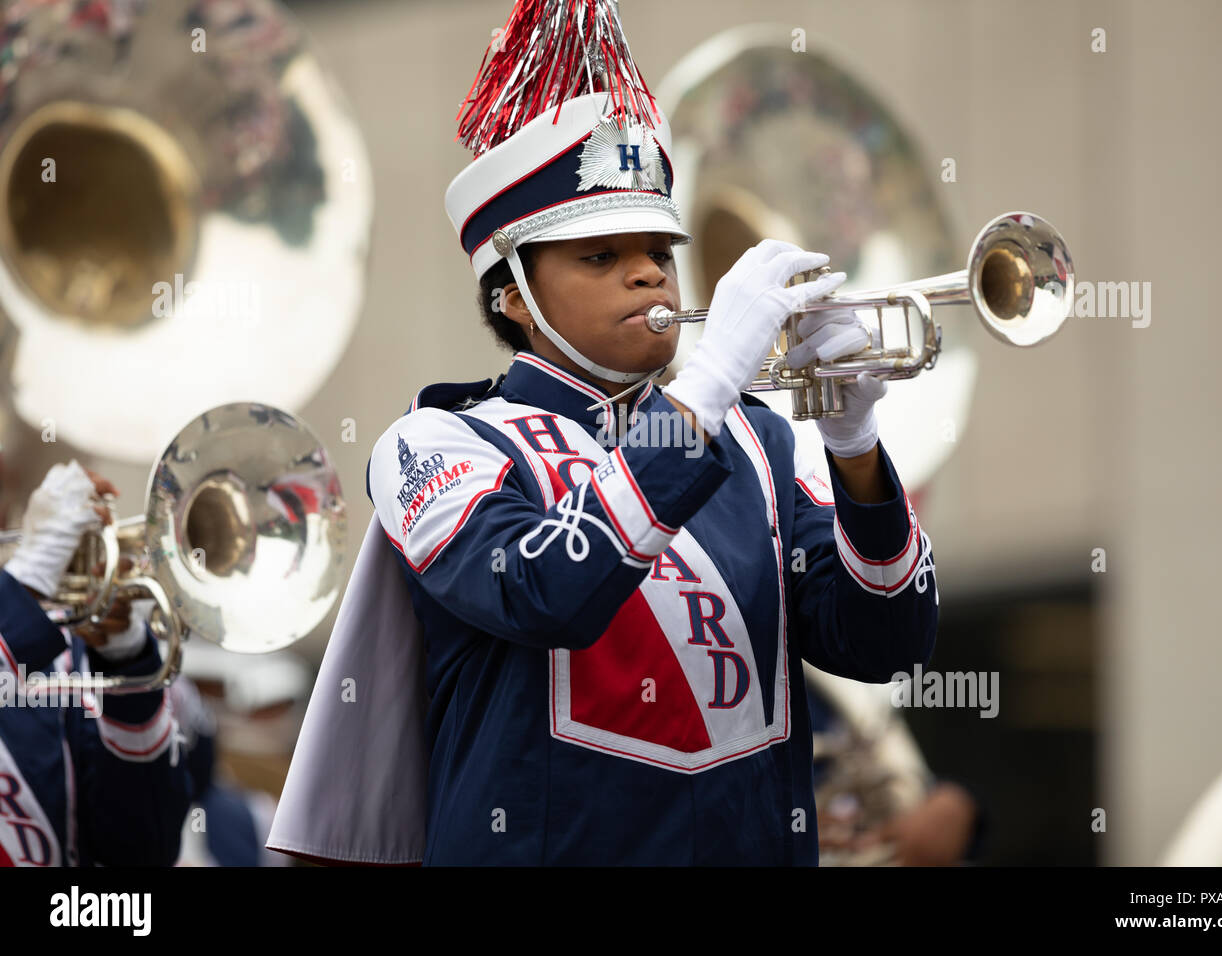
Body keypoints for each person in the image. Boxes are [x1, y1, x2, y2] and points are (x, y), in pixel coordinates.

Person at [270, 0, 938, 866]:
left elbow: (886, 644)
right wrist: (705, 388)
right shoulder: (437, 445)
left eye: (658, 250)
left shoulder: (758, 442)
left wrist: (854, 445)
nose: (647, 273)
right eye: (599, 256)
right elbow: (545, 589)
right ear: (513, 295)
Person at [0, 460, 190, 866]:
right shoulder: (20, 627)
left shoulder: (58, 650)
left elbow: (146, 851)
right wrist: (25, 583)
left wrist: (127, 661)